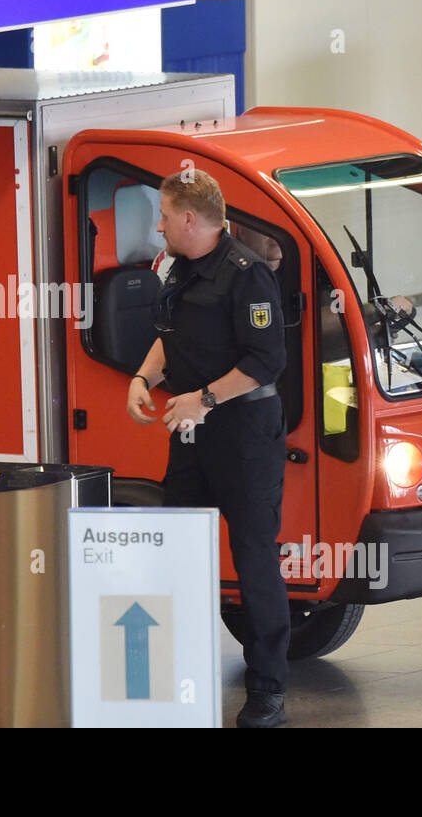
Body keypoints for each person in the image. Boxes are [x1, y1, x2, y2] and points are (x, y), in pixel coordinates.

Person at [125, 169, 290, 728]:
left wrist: (205, 399)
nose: (158, 224)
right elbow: (170, 334)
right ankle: (172, 671)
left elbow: (266, 360)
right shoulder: (179, 266)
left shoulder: (246, 275)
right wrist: (143, 378)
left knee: (253, 556)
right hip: (193, 434)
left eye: (164, 215)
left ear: (189, 219)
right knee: (178, 549)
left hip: (244, 432)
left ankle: (267, 691)